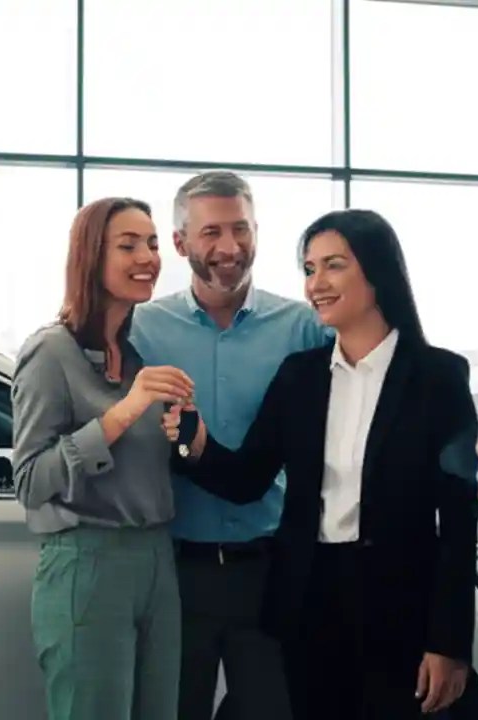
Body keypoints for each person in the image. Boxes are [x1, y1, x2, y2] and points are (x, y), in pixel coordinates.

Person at [163, 209, 478, 719]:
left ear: (378, 271)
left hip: (400, 607)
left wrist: (449, 643)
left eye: (334, 266)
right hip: (310, 603)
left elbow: (460, 521)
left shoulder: (438, 377)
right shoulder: (300, 377)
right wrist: (193, 444)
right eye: (309, 269)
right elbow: (248, 479)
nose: (317, 284)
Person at [128, 170, 331, 720]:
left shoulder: (304, 327)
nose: (229, 247)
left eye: (241, 230)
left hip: (269, 571)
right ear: (180, 243)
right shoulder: (140, 330)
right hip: (174, 573)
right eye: (211, 232)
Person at [12, 196, 194, 720]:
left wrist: (184, 430)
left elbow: (160, 466)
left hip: (158, 561)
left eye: (154, 244)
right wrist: (123, 412)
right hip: (86, 564)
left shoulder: (139, 357)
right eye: (129, 244)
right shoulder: (50, 352)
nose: (148, 256)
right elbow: (29, 481)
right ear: (92, 256)